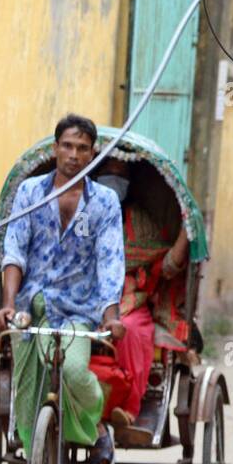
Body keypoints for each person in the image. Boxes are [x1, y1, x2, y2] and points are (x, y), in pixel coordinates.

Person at [0, 114, 126, 464]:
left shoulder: (104, 203)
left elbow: (111, 260)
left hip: (77, 311)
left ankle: (96, 425)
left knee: (72, 371)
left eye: (82, 148)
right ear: (55, 149)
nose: (73, 154)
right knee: (25, 378)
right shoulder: (31, 193)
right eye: (67, 145)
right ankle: (33, 453)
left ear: (92, 154)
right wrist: (8, 302)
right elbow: (15, 250)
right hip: (31, 307)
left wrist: (110, 315)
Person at [92, 156, 191, 445]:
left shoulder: (138, 221)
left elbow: (165, 266)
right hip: (85, 295)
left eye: (120, 175)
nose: (114, 179)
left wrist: (187, 233)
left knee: (132, 331)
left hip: (130, 299)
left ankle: (125, 411)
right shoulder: (82, 211)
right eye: (108, 173)